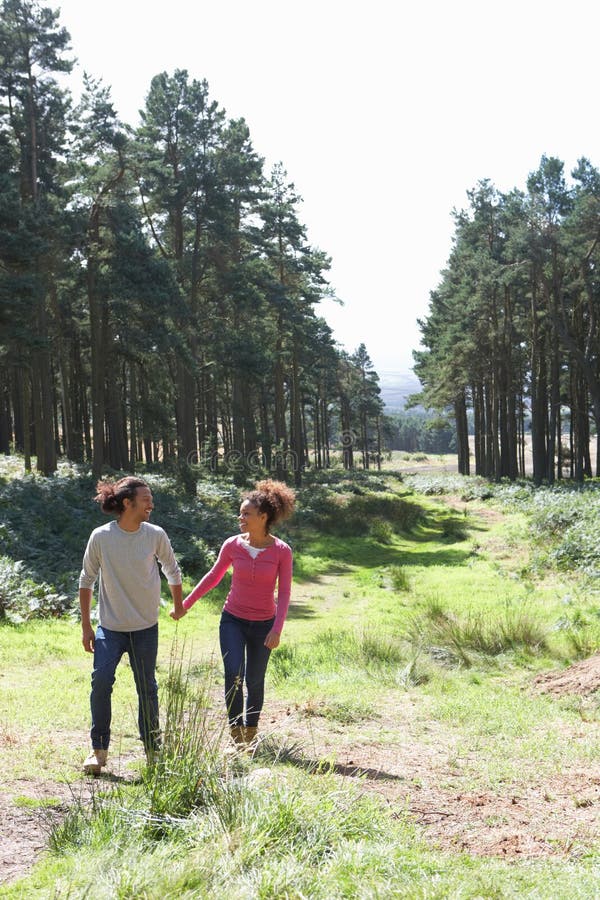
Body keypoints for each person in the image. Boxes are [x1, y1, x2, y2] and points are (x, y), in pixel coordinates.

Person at [171, 479, 295, 748]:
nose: (240, 518)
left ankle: (250, 734)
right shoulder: (233, 545)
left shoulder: (282, 551)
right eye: (240, 513)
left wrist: (277, 629)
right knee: (233, 674)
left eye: (246, 514)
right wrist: (185, 605)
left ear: (263, 517)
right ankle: (236, 734)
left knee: (255, 680)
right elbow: (214, 576)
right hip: (233, 620)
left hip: (265, 623)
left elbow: (284, 593)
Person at [79, 476, 183, 774]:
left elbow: (171, 570)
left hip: (145, 627)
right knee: (101, 681)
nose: (151, 503)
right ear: (128, 502)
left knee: (147, 688)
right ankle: (98, 751)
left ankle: (153, 752)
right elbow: (86, 579)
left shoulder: (155, 535)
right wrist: (87, 627)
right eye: (146, 498)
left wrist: (177, 605)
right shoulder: (101, 536)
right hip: (109, 627)